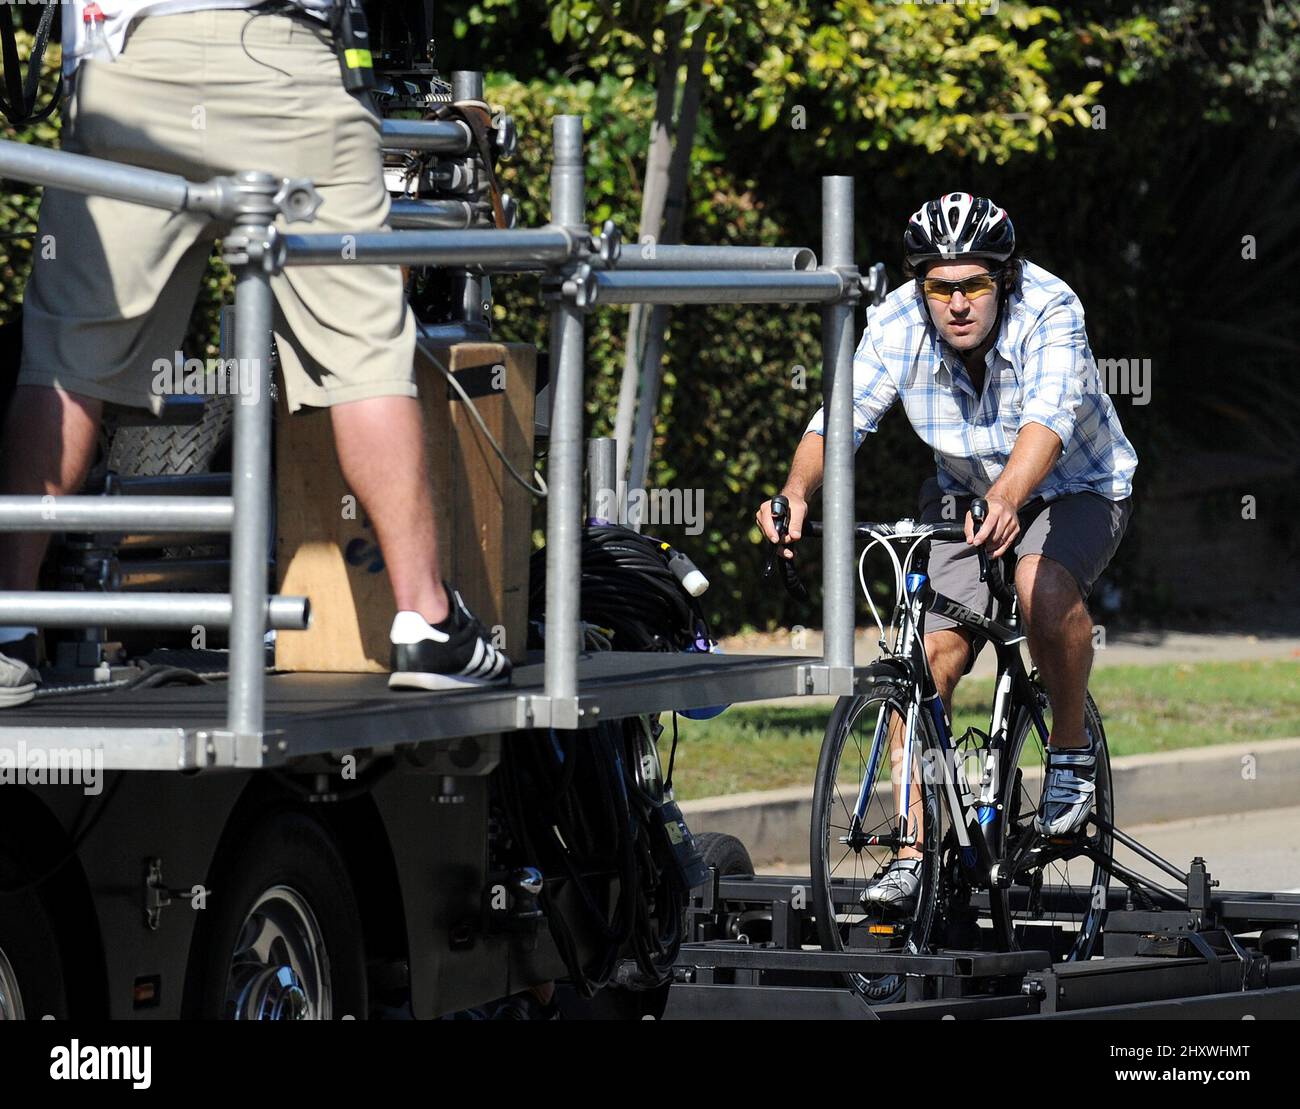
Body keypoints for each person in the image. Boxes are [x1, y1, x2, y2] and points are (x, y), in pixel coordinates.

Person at [0, 0, 510, 708]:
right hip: (284, 63)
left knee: (66, 360)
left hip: (128, 62)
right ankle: (425, 621)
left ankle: (10, 629)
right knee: (366, 357)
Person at [756, 192, 1137, 908]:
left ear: (1005, 279)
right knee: (925, 658)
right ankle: (911, 847)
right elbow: (842, 416)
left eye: (974, 285)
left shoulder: (1053, 311)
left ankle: (1069, 751)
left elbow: (1047, 421)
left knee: (1040, 584)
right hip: (965, 494)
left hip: (1076, 486)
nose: (957, 303)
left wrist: (1010, 498)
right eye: (941, 286)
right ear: (921, 284)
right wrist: (797, 491)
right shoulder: (899, 321)